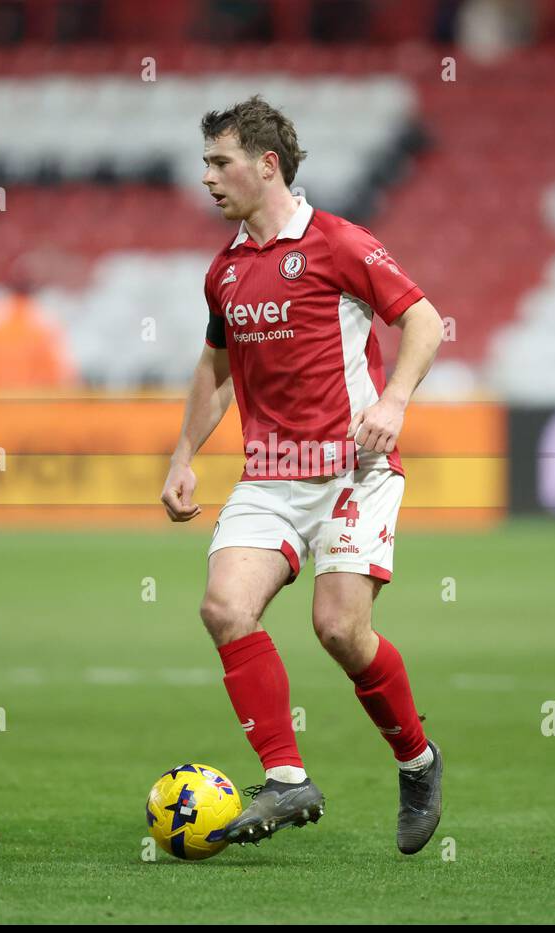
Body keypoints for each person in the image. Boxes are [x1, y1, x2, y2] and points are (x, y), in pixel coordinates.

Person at [160, 95, 446, 854]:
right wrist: (185, 455)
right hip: (270, 476)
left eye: (220, 163)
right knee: (224, 608)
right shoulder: (224, 273)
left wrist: (393, 399)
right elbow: (216, 368)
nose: (209, 179)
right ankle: (287, 779)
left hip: (355, 471)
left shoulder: (337, 243)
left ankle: (417, 761)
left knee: (339, 630)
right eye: (206, 165)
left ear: (267, 165)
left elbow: (423, 320)